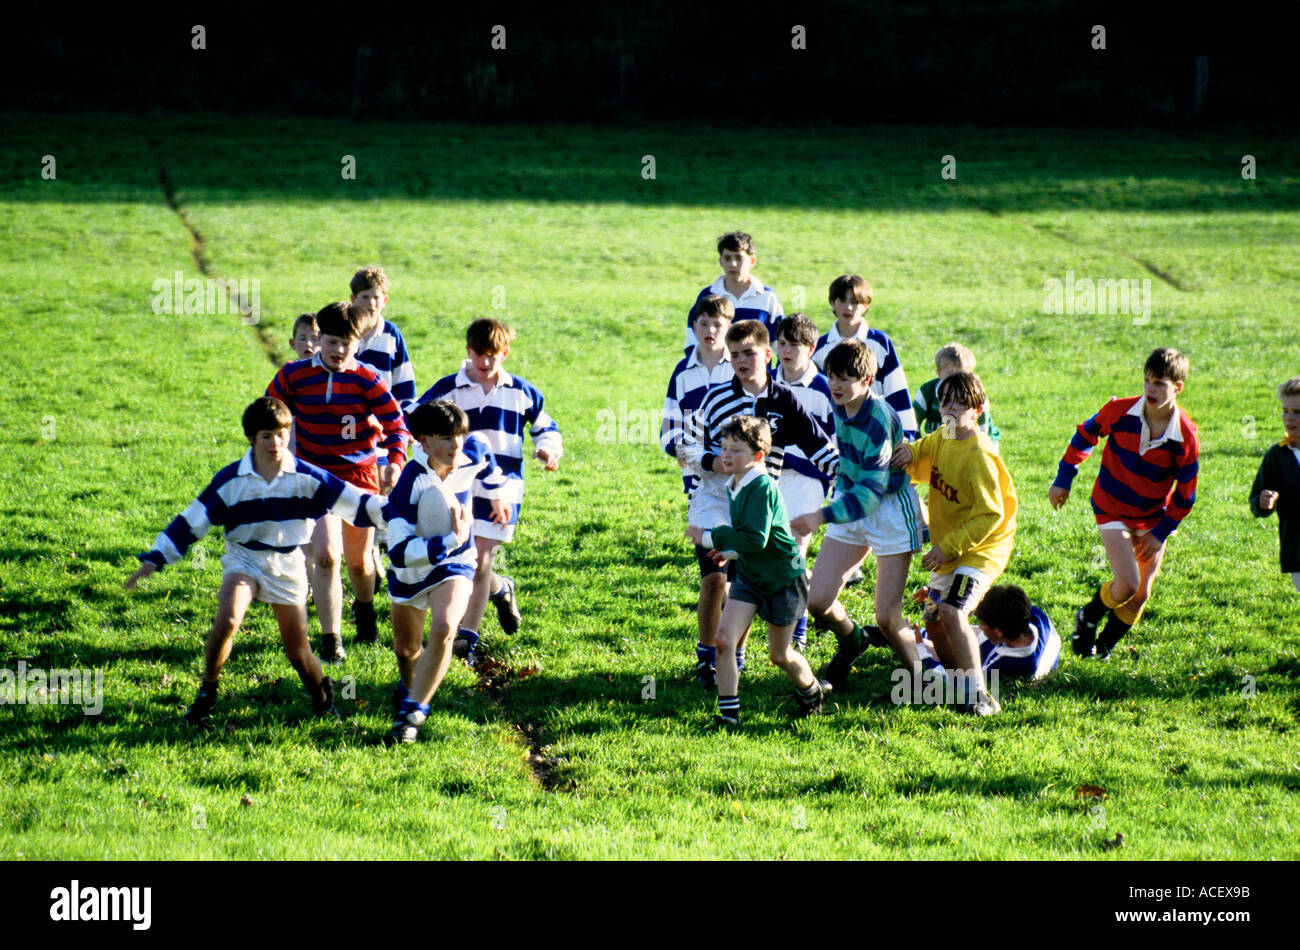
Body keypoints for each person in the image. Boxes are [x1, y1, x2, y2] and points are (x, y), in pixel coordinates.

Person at [124, 397, 388, 724]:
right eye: (266, 436)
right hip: (244, 558)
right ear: (251, 438)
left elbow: (357, 503)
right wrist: (156, 557)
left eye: (281, 434)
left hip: (287, 564)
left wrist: (399, 512)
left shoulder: (308, 477)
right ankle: (207, 693)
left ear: (290, 433)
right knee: (228, 620)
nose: (275, 443)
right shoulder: (231, 480)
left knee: (298, 652)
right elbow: (193, 520)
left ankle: (322, 698)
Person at [680, 320, 837, 686]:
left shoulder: (784, 399)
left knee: (743, 583)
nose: (740, 361)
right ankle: (706, 657)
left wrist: (851, 473)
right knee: (716, 579)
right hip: (714, 498)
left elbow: (819, 446)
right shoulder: (715, 397)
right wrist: (711, 461)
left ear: (767, 355)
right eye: (733, 355)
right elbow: (686, 446)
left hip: (756, 501)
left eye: (748, 353)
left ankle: (733, 654)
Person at [267, 301, 409, 661]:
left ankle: (364, 609)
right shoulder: (293, 375)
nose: (339, 350)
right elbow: (269, 413)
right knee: (328, 557)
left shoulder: (367, 379)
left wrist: (394, 461)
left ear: (358, 344)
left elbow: (397, 426)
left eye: (347, 343)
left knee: (360, 563)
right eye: (332, 342)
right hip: (314, 477)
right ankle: (332, 640)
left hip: (359, 477)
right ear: (319, 340)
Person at [418, 318, 562, 664]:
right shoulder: (449, 389)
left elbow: (547, 428)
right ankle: (501, 588)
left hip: (505, 489)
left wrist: (548, 449)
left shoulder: (521, 392)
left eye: (493, 356)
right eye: (479, 355)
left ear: (505, 353)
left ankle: (467, 640)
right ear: (468, 352)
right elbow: (415, 420)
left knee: (481, 560)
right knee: (464, 559)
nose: (485, 363)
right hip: (459, 488)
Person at [1050, 348, 1198, 658]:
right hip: (1112, 507)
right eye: (1146, 380)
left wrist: (1161, 532)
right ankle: (1088, 616)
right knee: (1128, 583)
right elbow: (1085, 436)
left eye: (1159, 383)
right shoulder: (1120, 411)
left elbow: (1186, 494)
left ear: (1178, 387)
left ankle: (1101, 651)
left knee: (1141, 594)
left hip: (1154, 519)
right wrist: (1064, 477)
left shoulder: (1185, 435)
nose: (1150, 389)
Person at [791, 341, 921, 693]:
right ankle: (852, 640)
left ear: (867, 380)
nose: (835, 384)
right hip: (853, 504)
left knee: (888, 618)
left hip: (888, 511)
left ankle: (925, 685)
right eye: (832, 375)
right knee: (817, 601)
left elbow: (872, 491)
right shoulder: (842, 404)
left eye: (845, 378)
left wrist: (821, 515)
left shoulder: (878, 418)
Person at [891, 370, 1016, 715]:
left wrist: (948, 547)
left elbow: (990, 515)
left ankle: (979, 694)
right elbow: (925, 450)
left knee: (952, 610)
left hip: (982, 549)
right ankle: (957, 683)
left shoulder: (980, 455)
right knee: (933, 620)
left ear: (976, 411)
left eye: (960, 404)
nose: (950, 408)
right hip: (952, 547)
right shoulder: (945, 433)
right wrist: (908, 454)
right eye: (945, 401)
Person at [686, 416, 824, 726]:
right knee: (724, 640)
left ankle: (811, 689)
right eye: (723, 448)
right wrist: (729, 553)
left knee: (780, 655)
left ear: (757, 456)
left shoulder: (761, 486)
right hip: (750, 576)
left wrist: (708, 537)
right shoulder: (736, 481)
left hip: (784, 580)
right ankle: (729, 715)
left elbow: (757, 539)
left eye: (735, 450)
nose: (726, 456)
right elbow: (749, 539)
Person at [385, 401, 509, 743]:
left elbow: (486, 453)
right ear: (422, 441)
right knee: (406, 650)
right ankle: (409, 687)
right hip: (410, 570)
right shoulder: (409, 484)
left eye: (459, 435)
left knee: (442, 630)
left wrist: (497, 495)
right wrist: (444, 541)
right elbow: (397, 552)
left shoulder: (469, 453)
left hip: (456, 563)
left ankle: (412, 714)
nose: (456, 445)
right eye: (446, 438)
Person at [772, 312, 835, 649]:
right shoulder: (765, 383)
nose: (786, 350)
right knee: (773, 551)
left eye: (794, 344)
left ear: (811, 348)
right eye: (781, 343)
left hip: (809, 482)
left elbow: (833, 443)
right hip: (771, 480)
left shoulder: (825, 389)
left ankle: (799, 626)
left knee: (795, 550)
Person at [811, 275, 917, 439]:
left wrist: (907, 436)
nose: (849, 307)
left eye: (855, 302)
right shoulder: (819, 348)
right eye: (842, 300)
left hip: (877, 433)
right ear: (832, 302)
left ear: (866, 306)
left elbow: (896, 388)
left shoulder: (880, 343)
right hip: (836, 437)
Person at [912, 584, 1060, 699]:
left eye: (982, 623)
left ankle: (909, 637)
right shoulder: (1032, 615)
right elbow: (997, 604)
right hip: (1007, 640)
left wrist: (921, 650)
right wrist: (944, 597)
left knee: (925, 645)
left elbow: (958, 679)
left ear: (998, 631)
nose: (980, 626)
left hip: (993, 654)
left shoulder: (1009, 662)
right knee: (953, 631)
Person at [661, 294, 735, 498]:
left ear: (729, 327)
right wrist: (679, 449)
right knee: (702, 528)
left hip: (737, 471)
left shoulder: (739, 367)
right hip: (697, 472)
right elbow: (671, 420)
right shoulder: (682, 371)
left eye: (717, 325)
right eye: (704, 324)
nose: (710, 330)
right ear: (694, 326)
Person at [682, 231, 784, 356]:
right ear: (720, 261)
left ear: (752, 261)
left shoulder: (767, 297)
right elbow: (692, 340)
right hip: (716, 374)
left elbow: (781, 346)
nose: (733, 264)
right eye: (727, 258)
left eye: (739, 258)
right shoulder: (708, 296)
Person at [1248, 374, 1300, 593]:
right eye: (1285, 411)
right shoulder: (1277, 456)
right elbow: (1256, 498)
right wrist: (1262, 501)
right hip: (1297, 551)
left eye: (1297, 412)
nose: (1288, 418)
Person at [912, 342, 1000, 444]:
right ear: (939, 372)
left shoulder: (975, 395)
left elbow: (983, 430)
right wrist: (914, 445)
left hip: (976, 439)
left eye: (961, 375)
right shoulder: (927, 392)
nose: (955, 380)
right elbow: (913, 420)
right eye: (949, 374)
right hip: (939, 439)